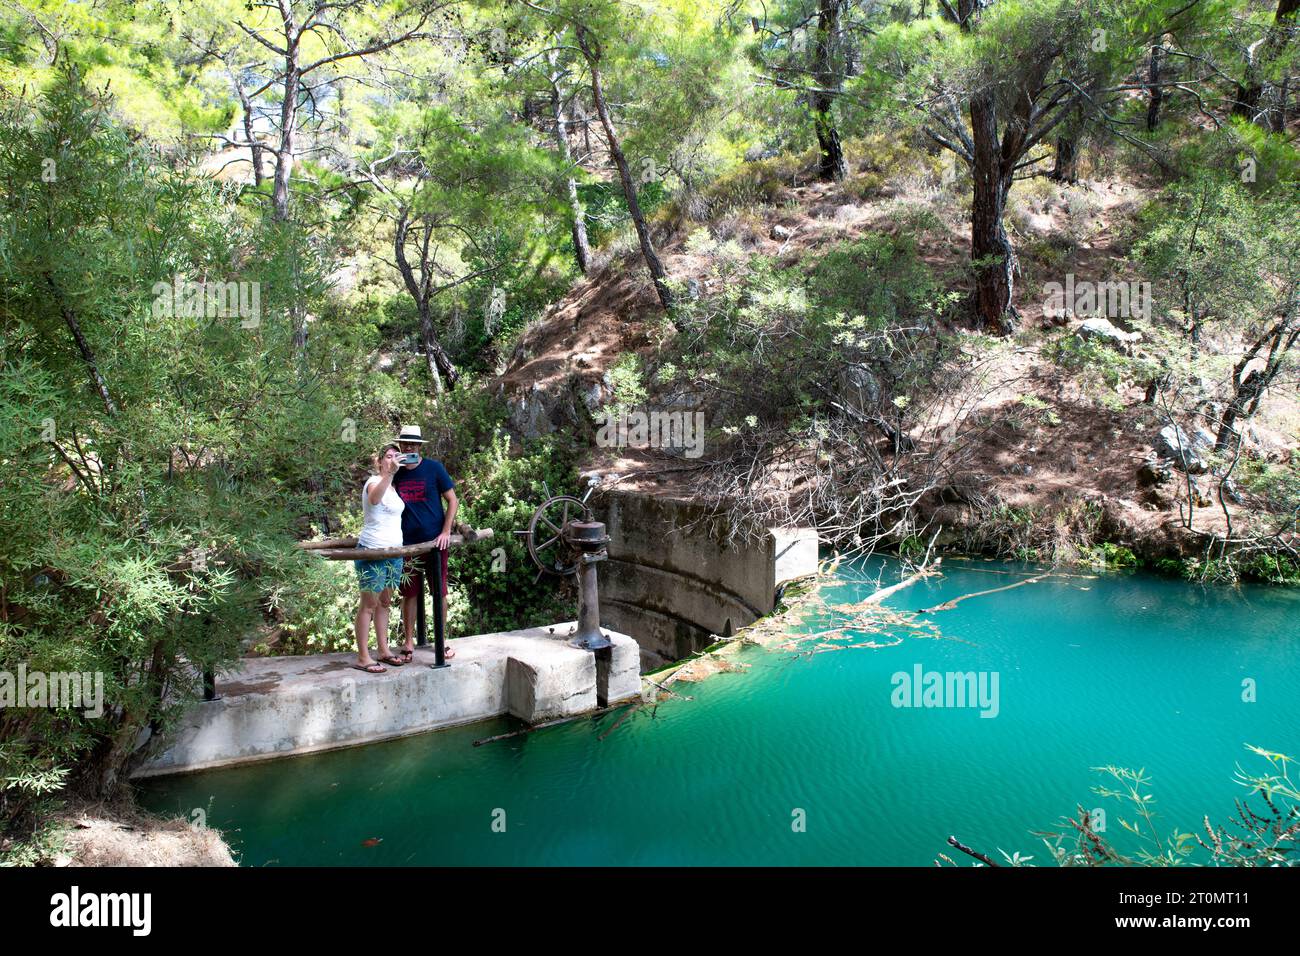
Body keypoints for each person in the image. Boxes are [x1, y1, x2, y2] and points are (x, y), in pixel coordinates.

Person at [391, 424, 459, 660]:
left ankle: (441, 640)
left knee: (438, 592)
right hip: (407, 543)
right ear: (400, 446)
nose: (409, 447)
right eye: (405, 444)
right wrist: (390, 470)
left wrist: (446, 531)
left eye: (413, 444)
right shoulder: (395, 474)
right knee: (409, 593)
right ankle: (408, 642)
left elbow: (452, 500)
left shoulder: (434, 469)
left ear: (419, 446)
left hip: (435, 543)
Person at [351, 443, 408, 673]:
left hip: (394, 553)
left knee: (385, 602)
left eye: (396, 456)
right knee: (369, 605)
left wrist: (392, 476)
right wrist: (390, 474)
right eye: (388, 456)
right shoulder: (374, 482)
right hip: (372, 551)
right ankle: (363, 656)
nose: (392, 459)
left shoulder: (394, 488)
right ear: (379, 461)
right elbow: (374, 500)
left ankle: (383, 650)